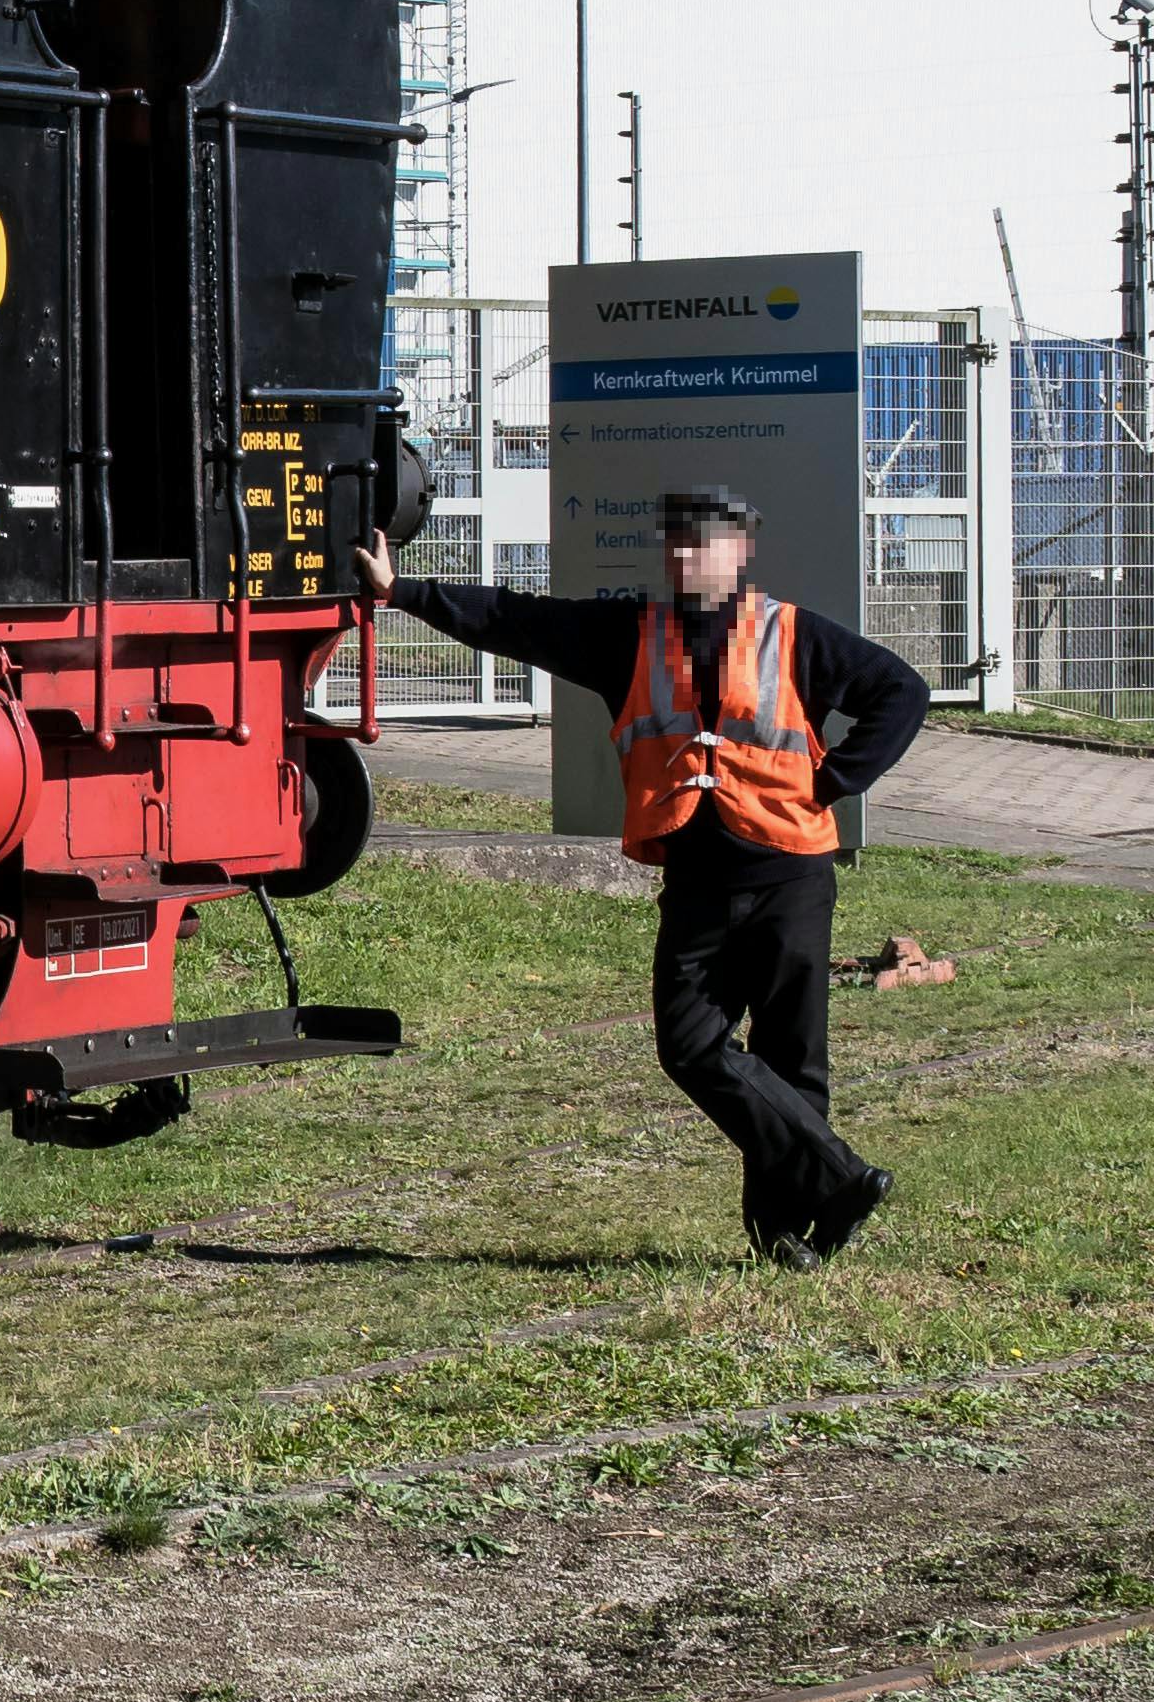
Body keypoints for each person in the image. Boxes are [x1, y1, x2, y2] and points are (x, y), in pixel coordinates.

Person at [385, 488, 929, 1265]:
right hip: (697, 878)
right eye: (676, 544)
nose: (686, 558)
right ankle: (837, 1176)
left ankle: (788, 1234)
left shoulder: (791, 633)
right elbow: (511, 618)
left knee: (789, 1055)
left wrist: (839, 777)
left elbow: (900, 691)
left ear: (738, 552)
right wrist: (400, 590)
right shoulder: (628, 634)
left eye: (703, 544)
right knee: (689, 1045)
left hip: (790, 870)